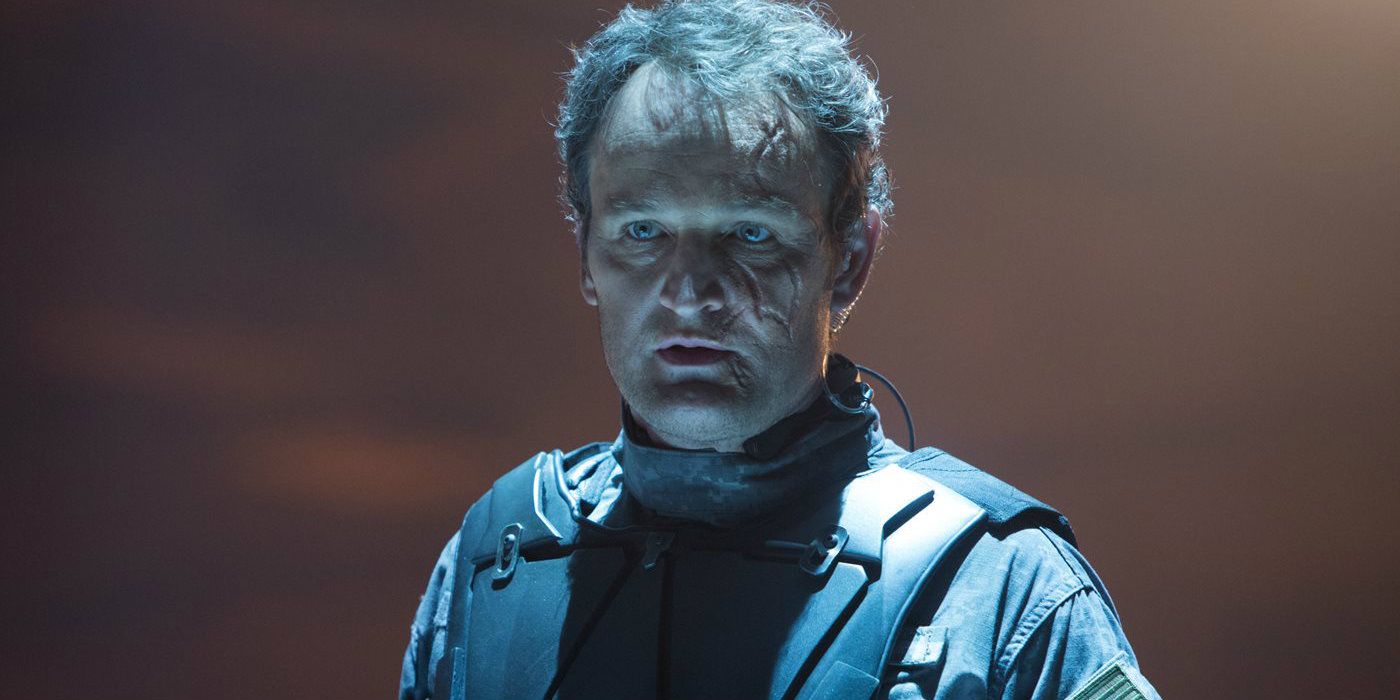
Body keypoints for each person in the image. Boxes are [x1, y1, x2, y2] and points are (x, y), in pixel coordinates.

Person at [400, 1, 1160, 698]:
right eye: (643, 231)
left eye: (750, 233)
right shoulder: (490, 563)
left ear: (850, 259)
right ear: (586, 254)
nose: (690, 292)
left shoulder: (1000, 588)